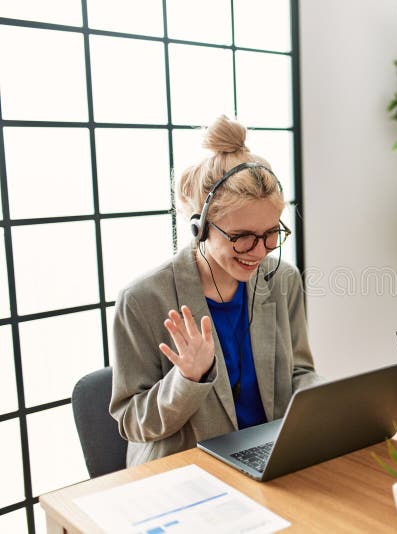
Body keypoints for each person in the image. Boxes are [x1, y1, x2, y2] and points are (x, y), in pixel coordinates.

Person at [110, 116, 321, 466]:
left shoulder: (283, 280)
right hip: (185, 472)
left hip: (271, 460)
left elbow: (298, 374)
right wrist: (187, 377)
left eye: (271, 233)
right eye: (242, 238)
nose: (259, 251)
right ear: (200, 227)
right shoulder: (142, 300)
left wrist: (335, 402)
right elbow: (133, 422)